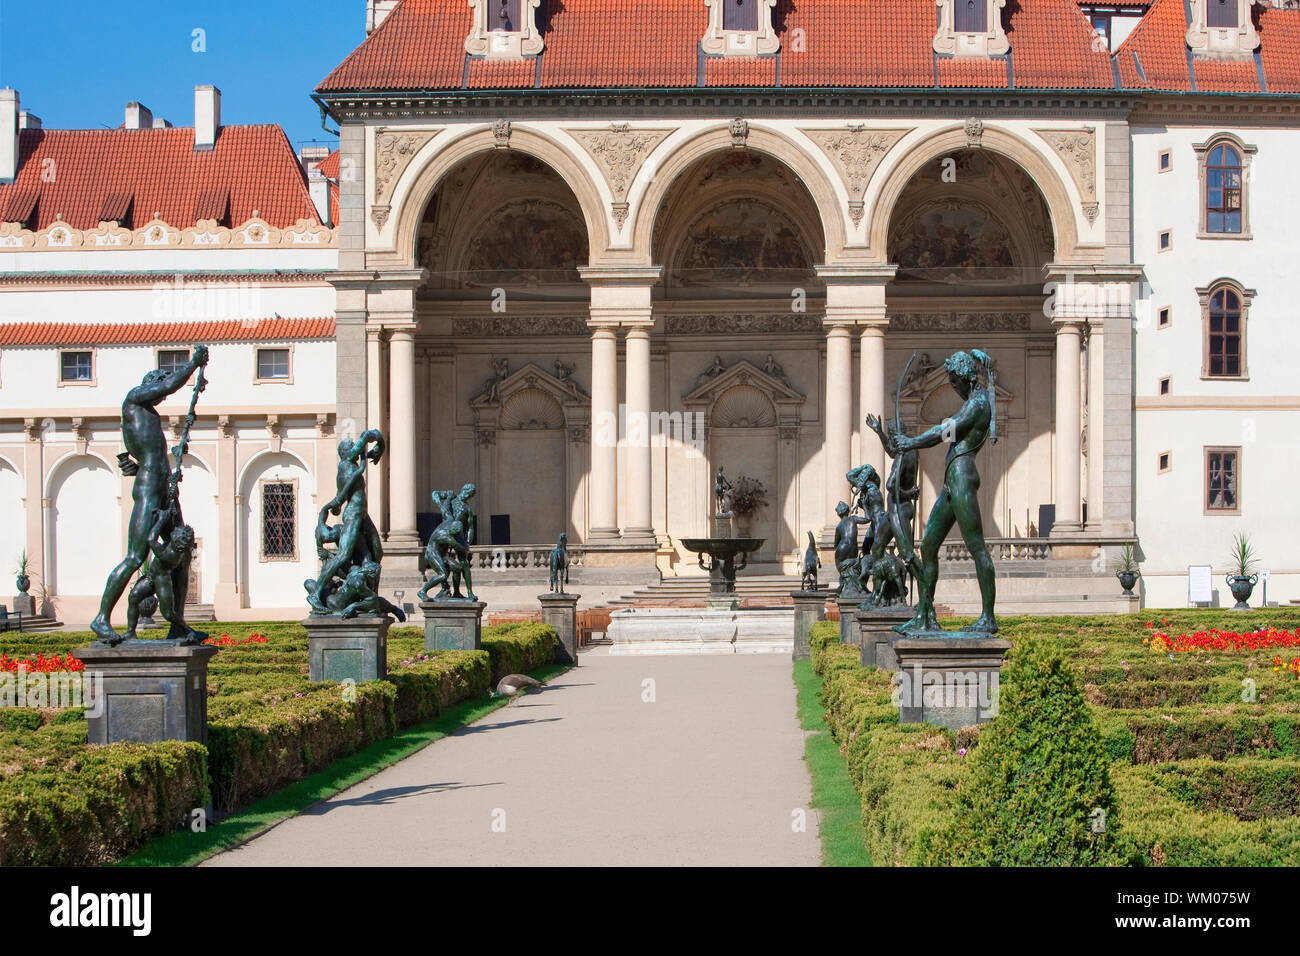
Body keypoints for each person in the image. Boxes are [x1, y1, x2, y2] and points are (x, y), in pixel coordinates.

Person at [91, 345, 208, 644]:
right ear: (150, 384)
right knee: (135, 557)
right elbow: (169, 384)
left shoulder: (148, 415)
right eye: (159, 388)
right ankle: (101, 618)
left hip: (163, 486)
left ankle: (177, 625)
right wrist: (193, 365)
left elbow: (144, 454)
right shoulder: (133, 399)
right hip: (148, 488)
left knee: (182, 558)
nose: (163, 395)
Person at [892, 350, 998, 634]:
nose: (953, 387)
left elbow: (944, 432)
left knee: (976, 547)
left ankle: (988, 616)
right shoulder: (973, 402)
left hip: (963, 479)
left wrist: (911, 442)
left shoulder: (977, 405)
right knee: (927, 546)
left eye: (954, 382)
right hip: (952, 483)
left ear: (965, 377)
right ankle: (925, 614)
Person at [308, 430, 385, 614]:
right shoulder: (345, 465)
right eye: (351, 447)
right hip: (353, 513)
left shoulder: (352, 467)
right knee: (343, 554)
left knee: (377, 551)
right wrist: (376, 444)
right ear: (344, 452)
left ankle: (371, 599)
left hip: (362, 514)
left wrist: (379, 446)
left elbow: (371, 437)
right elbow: (368, 436)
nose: (355, 448)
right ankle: (316, 593)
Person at [122, 510, 202, 643]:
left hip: (162, 580)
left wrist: (161, 520)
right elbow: (175, 524)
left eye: (177, 533)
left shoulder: (170, 555)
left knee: (168, 614)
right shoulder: (175, 545)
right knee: (134, 597)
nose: (174, 532)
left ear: (179, 540)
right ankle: (130, 632)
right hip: (151, 576)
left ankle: (188, 631)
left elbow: (151, 539)